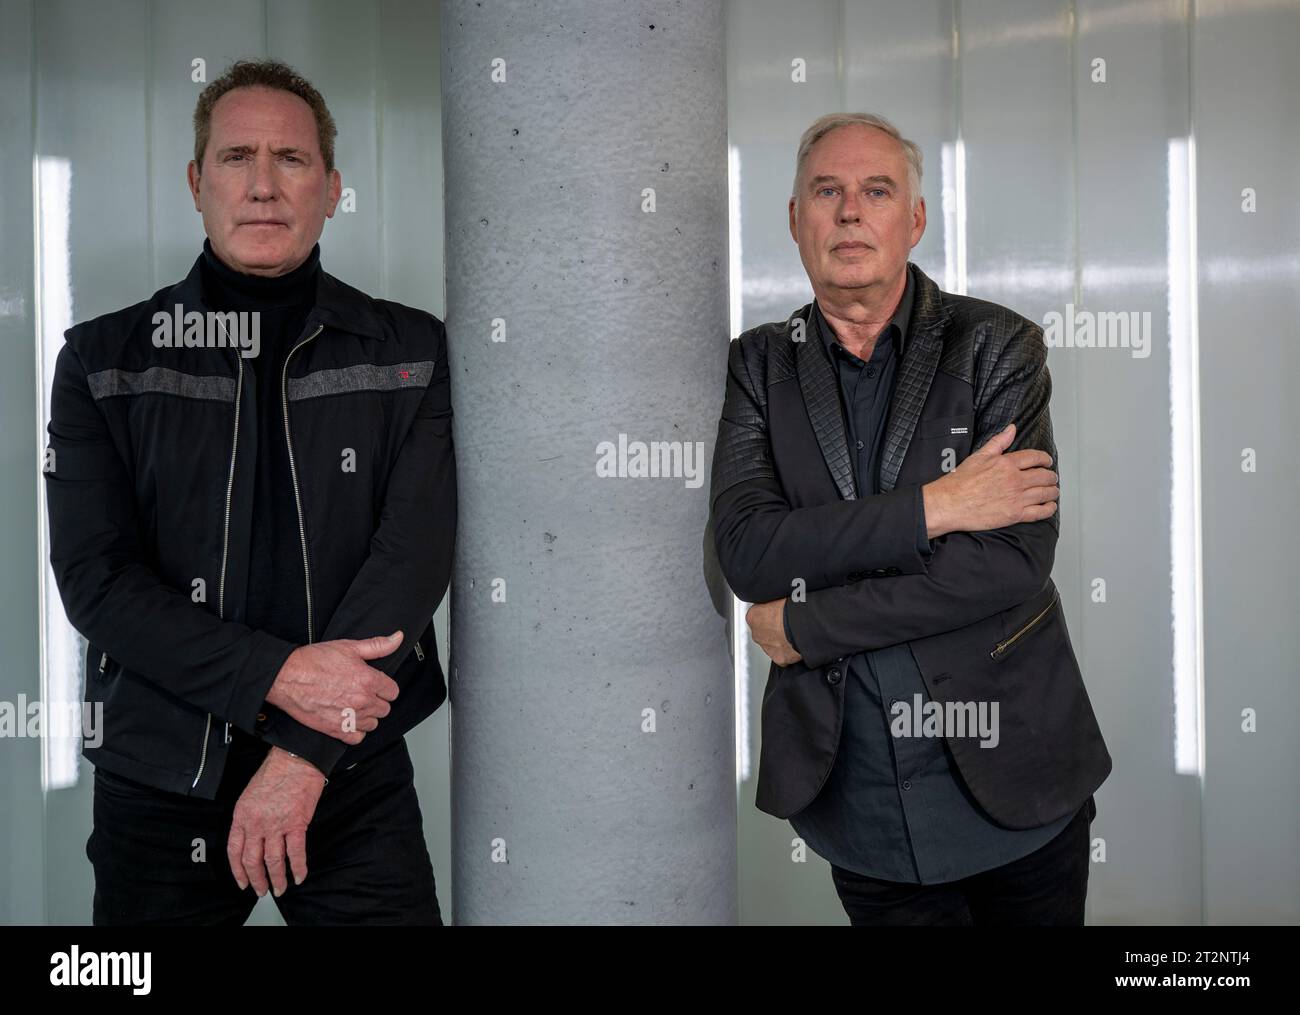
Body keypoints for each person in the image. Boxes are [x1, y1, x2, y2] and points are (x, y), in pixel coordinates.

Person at [43, 59, 456, 925]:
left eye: (291, 160)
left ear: (333, 187)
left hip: (351, 768)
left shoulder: (411, 352)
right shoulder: (102, 361)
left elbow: (410, 562)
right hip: (162, 772)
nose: (263, 185)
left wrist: (303, 751)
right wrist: (276, 674)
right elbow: (97, 582)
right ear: (197, 182)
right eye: (236, 158)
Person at [706, 112, 1111, 926]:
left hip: (1014, 779)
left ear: (914, 219)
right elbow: (750, 553)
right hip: (858, 801)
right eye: (827, 191)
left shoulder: (996, 346)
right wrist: (939, 506)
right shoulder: (758, 363)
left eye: (876, 190)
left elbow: (1006, 565)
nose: (850, 211)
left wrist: (811, 620)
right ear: (794, 218)